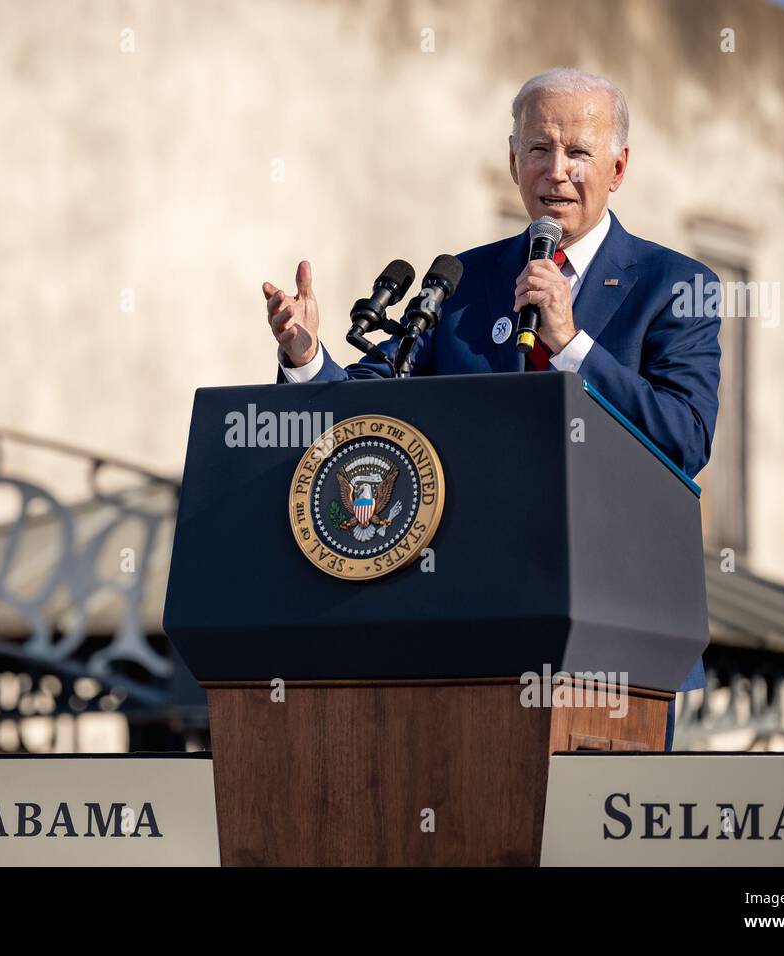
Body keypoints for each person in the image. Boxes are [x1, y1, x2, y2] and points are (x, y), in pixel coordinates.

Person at [263, 68, 721, 751]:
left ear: (619, 167)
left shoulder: (678, 286)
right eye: (538, 149)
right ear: (513, 161)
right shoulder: (463, 281)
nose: (556, 170)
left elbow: (684, 437)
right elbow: (373, 407)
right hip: (466, 626)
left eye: (578, 153)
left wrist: (572, 345)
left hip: (619, 634)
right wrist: (305, 357)